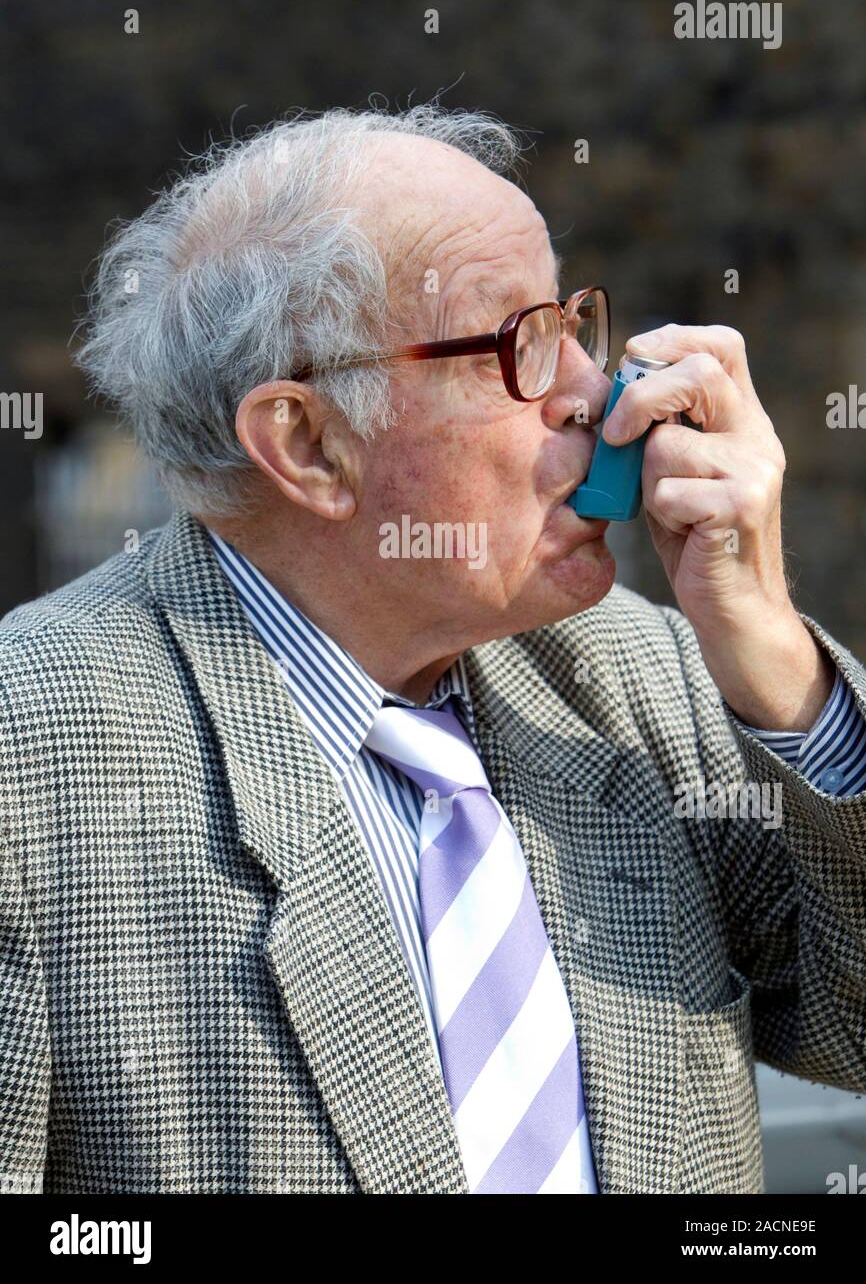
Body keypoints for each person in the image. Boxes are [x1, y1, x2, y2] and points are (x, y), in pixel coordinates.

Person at [1, 106, 864, 1195]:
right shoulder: (29, 764)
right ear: (308, 444)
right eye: (518, 347)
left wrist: (781, 670)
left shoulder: (635, 672)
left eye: (572, 324)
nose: (599, 401)